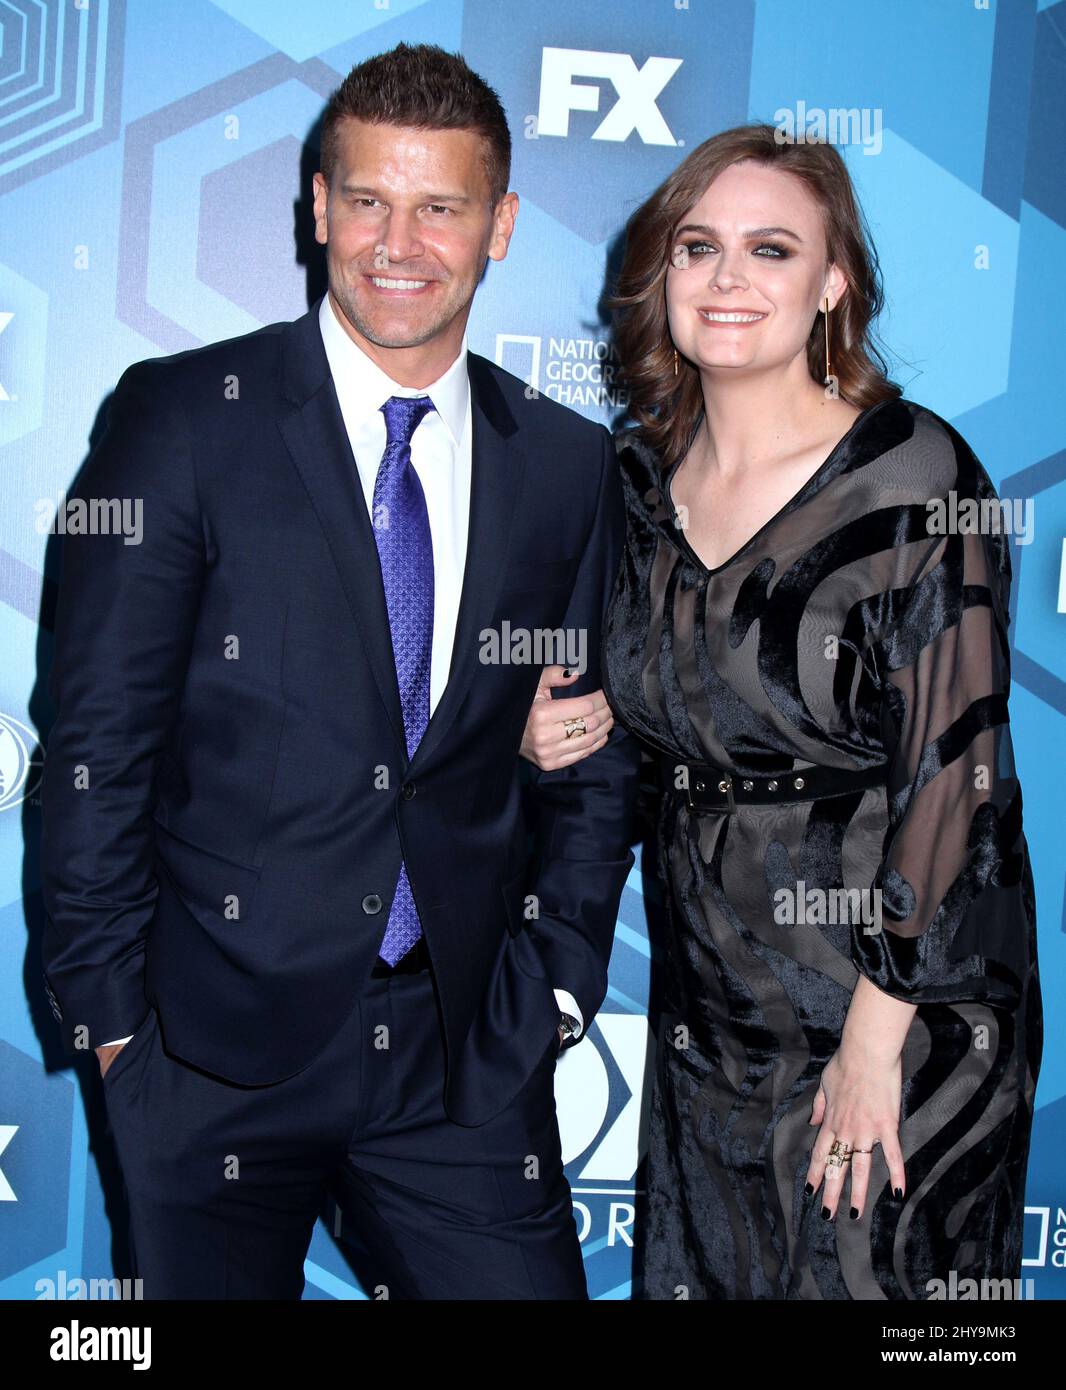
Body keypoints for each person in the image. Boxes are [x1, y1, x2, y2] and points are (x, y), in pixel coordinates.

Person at [40, 42, 641, 1300]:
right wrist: (114, 1036)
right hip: (206, 1055)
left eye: (441, 206)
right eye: (366, 198)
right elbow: (96, 743)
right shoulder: (186, 418)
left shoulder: (566, 466)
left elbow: (589, 753)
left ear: (503, 226)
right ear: (317, 206)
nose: (397, 241)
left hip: (459, 1049)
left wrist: (559, 993)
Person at [521, 123, 1042, 1300]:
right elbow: (633, 700)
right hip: (713, 1005)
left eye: (770, 249)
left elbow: (955, 777)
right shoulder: (636, 482)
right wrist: (537, 724)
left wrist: (875, 1039)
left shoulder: (912, 477)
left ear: (832, 285)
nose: (727, 279)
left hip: (895, 999)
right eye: (699, 247)